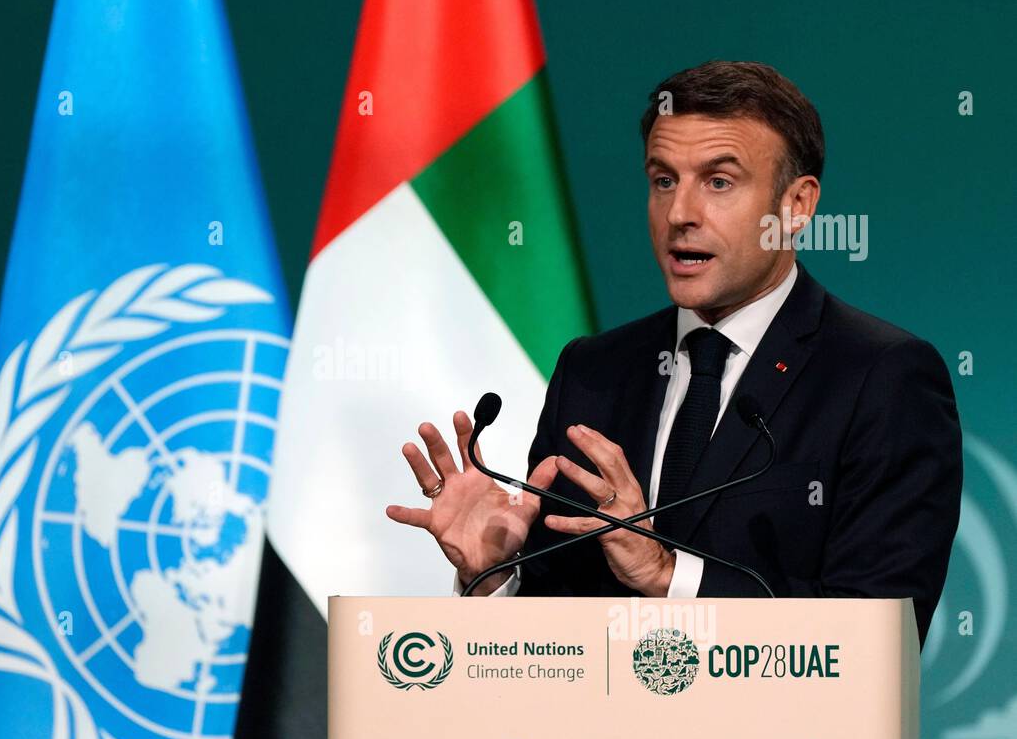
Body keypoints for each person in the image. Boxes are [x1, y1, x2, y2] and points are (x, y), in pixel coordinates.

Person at [385, 60, 962, 649]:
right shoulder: (594, 372)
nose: (680, 214)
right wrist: (495, 575)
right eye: (664, 180)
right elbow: (551, 642)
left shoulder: (881, 376)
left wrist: (669, 577)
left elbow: (879, 636)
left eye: (719, 182)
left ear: (797, 205)